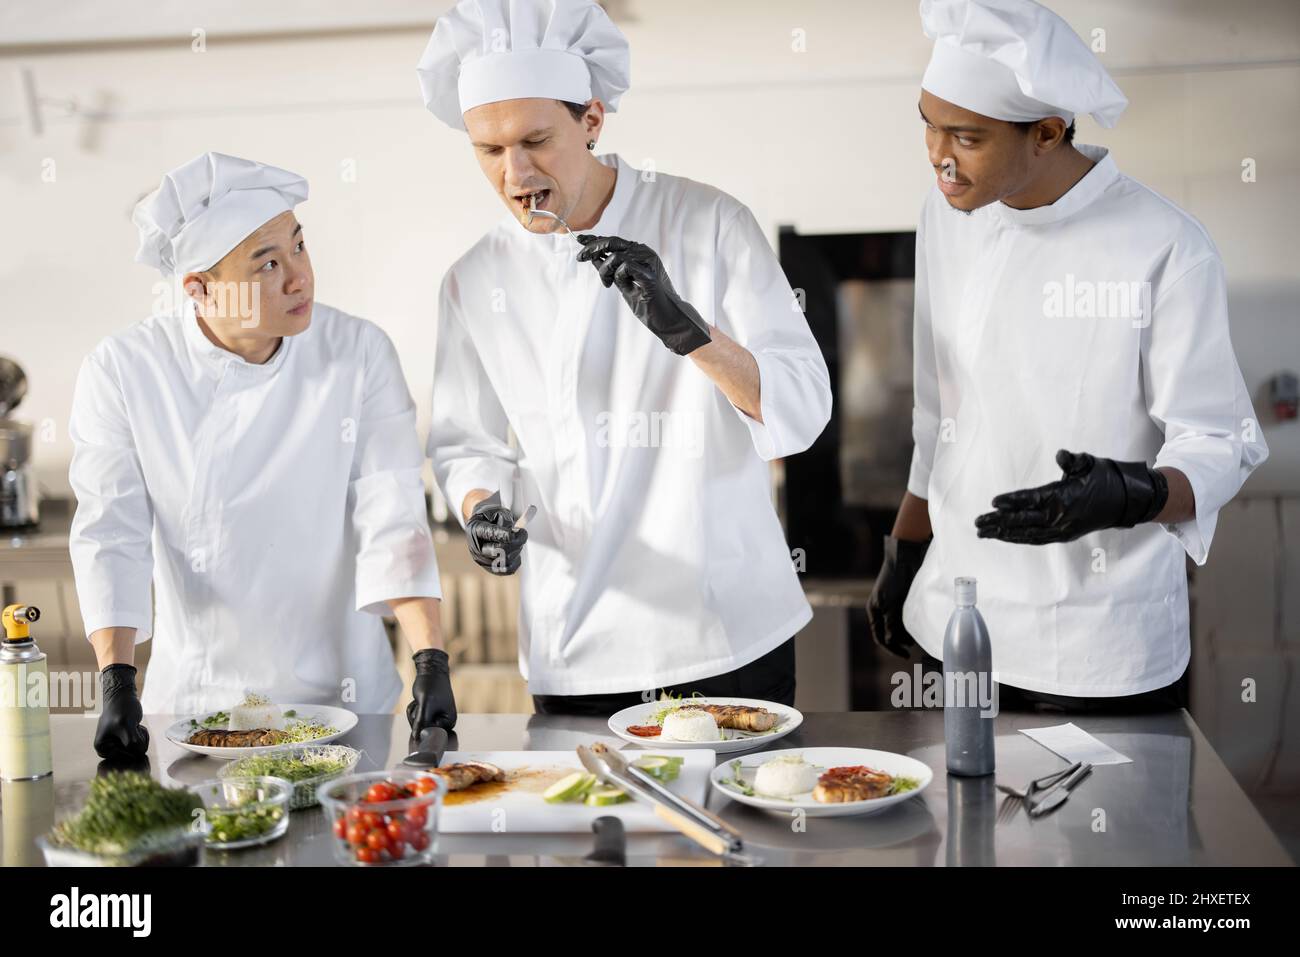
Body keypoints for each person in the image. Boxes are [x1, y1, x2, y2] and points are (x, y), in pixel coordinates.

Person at [417, 0, 832, 715]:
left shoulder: (709, 222)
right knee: (591, 829)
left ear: (592, 120)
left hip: (726, 635)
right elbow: (466, 444)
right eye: (488, 149)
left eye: (536, 140)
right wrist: (483, 509)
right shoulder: (473, 279)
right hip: (575, 649)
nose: (515, 172)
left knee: (739, 824)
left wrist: (692, 333)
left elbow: (802, 409)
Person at [866, 0, 1268, 712]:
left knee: (1102, 823)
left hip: (1099, 652)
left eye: (966, 136)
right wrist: (906, 545)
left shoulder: (1166, 248)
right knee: (959, 822)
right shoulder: (946, 214)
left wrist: (1132, 494)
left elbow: (1220, 440)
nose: (938, 155)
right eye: (926, 123)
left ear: (1046, 133)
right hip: (956, 622)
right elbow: (940, 408)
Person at [70, 152, 455, 759]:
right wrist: (117, 679)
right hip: (199, 708)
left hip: (346, 700)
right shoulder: (125, 370)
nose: (299, 278)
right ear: (198, 290)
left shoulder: (357, 353)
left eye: (299, 247)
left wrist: (429, 658)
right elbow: (110, 534)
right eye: (268, 265)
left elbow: (393, 515)